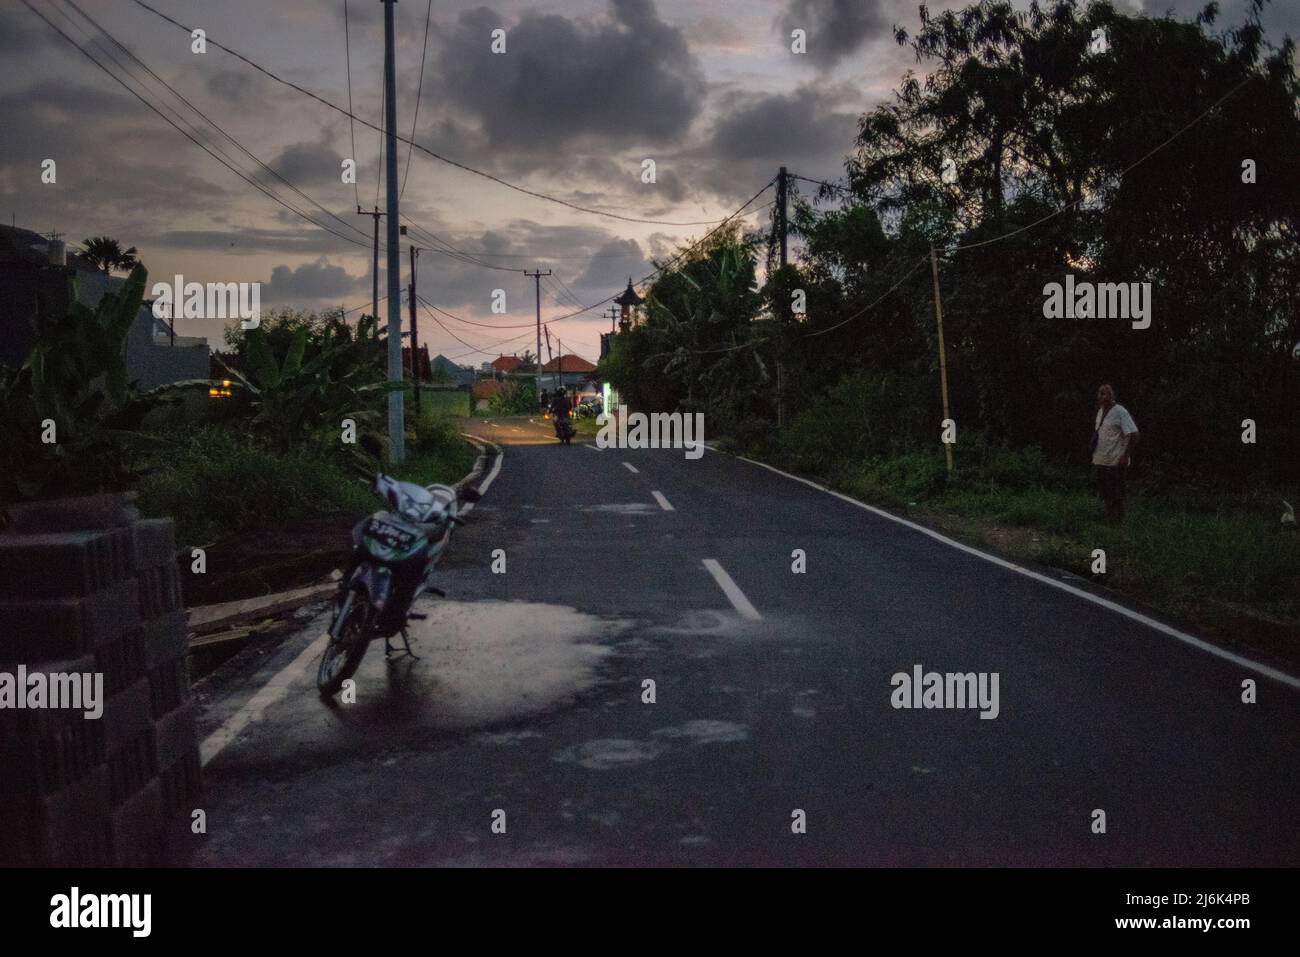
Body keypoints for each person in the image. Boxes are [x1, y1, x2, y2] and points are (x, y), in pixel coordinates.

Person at [1091, 384, 1139, 523]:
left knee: (1117, 492)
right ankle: (1108, 518)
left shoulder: (1120, 412)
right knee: (1105, 491)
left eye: (1106, 393)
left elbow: (1134, 434)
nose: (1103, 396)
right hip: (1101, 459)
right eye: (1101, 393)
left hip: (1116, 461)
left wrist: (1125, 456)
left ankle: (1119, 521)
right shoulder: (1100, 411)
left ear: (1112, 396)